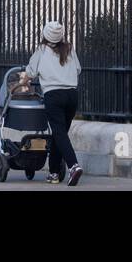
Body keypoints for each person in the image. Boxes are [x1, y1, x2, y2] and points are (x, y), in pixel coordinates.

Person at [24, 20, 83, 186]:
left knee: (59, 133)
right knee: (59, 133)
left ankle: (73, 166)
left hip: (53, 95)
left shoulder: (42, 50)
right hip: (72, 95)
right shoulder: (70, 49)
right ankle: (54, 173)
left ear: (45, 35)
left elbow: (30, 72)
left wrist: (25, 81)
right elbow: (78, 69)